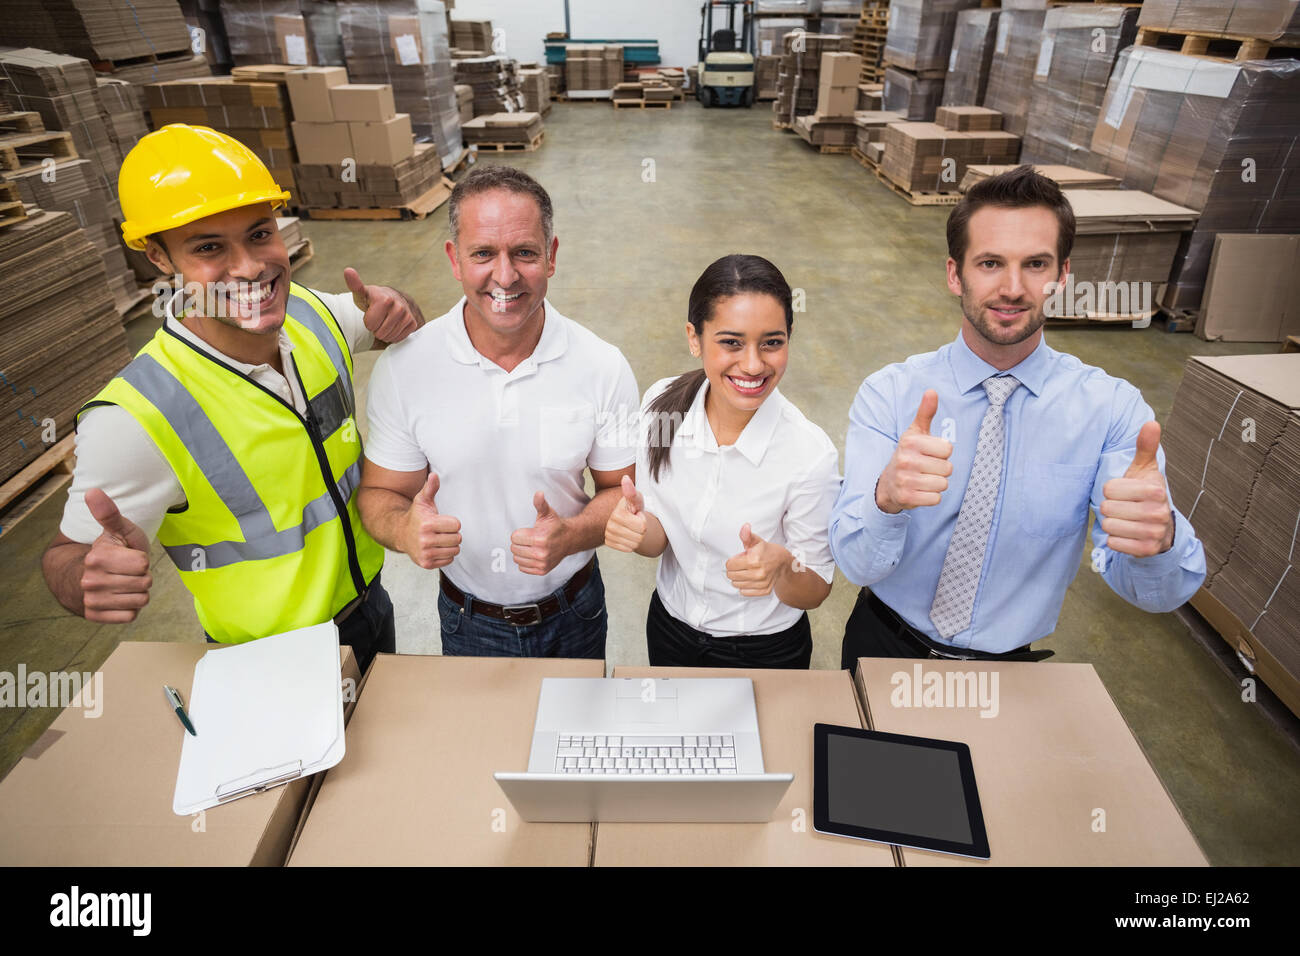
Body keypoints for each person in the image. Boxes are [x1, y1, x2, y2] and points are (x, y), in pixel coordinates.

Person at [42, 124, 426, 674]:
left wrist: (398, 307)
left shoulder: (316, 316)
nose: (248, 267)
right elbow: (65, 556)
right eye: (208, 248)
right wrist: (85, 578)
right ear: (158, 256)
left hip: (371, 609)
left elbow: (388, 321)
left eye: (259, 234)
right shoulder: (137, 418)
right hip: (267, 661)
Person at [829, 165, 1206, 672]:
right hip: (883, 647)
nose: (1012, 287)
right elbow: (857, 564)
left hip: (1008, 671)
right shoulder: (890, 395)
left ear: (1062, 277)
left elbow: (1154, 594)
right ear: (953, 273)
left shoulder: (1111, 412)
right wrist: (886, 498)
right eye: (989, 263)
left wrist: (1158, 544)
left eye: (1034, 264)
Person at [357, 164, 639, 658]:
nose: (504, 277)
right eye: (484, 253)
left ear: (550, 256)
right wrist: (403, 529)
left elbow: (622, 491)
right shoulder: (406, 369)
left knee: (572, 735)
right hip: (468, 619)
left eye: (524, 253)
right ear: (455, 259)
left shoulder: (601, 366)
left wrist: (572, 534)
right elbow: (381, 492)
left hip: (574, 612)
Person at [604, 254, 840, 668]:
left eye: (772, 342)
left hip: (765, 652)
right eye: (731, 342)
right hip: (670, 628)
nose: (752, 364)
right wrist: (638, 530)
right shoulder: (662, 407)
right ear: (694, 338)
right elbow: (661, 539)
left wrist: (782, 568)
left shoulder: (809, 455)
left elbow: (815, 590)